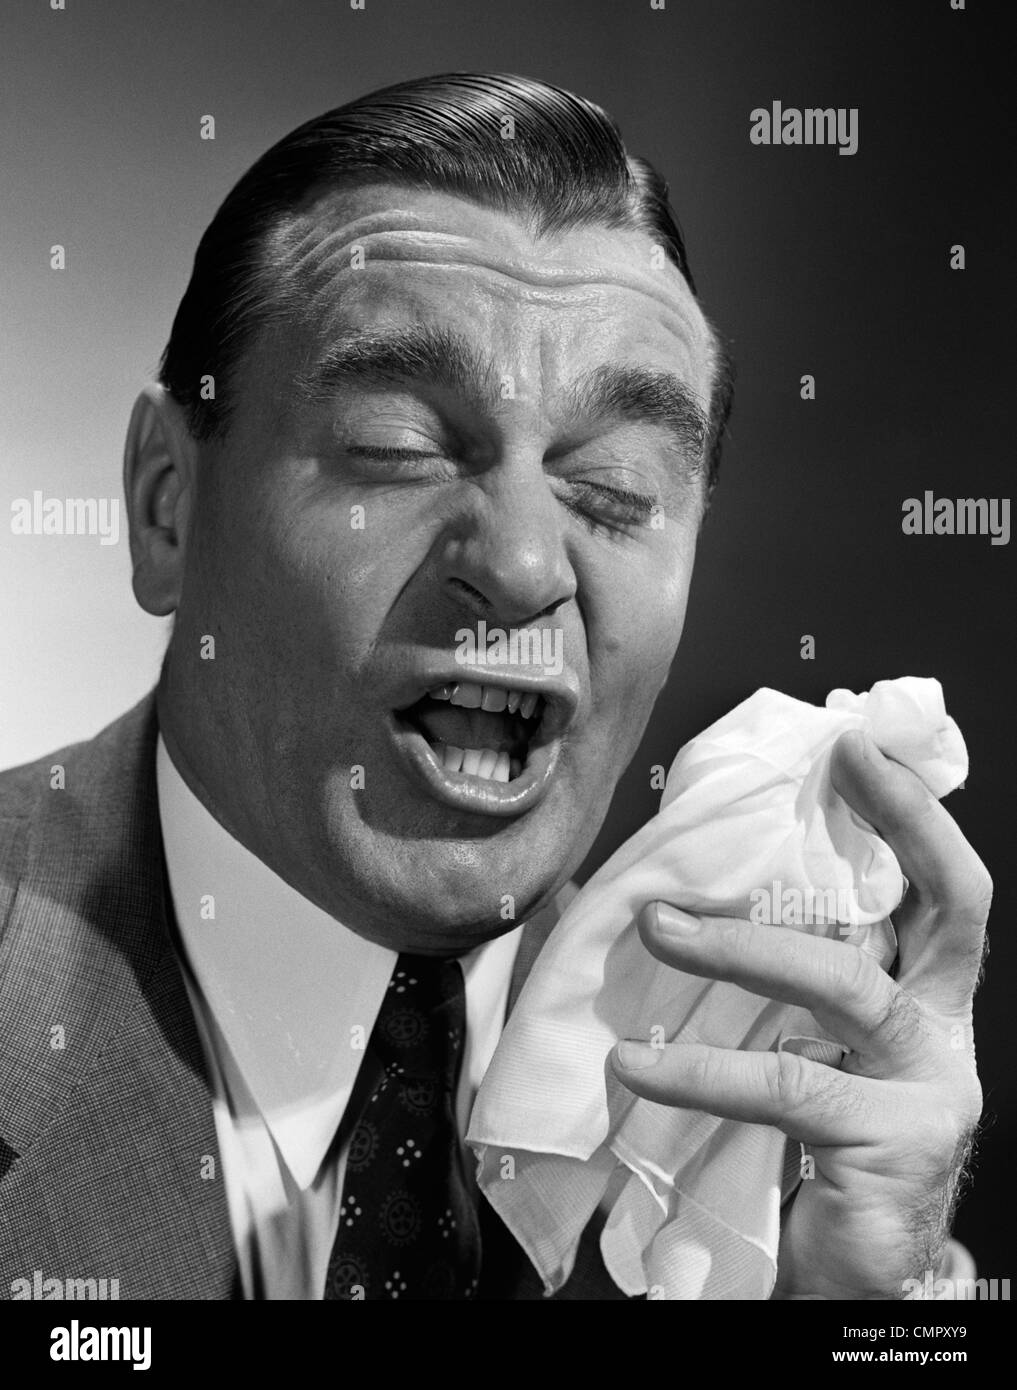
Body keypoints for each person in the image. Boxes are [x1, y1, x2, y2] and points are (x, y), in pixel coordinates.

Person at [0, 71, 988, 1301]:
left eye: (619, 489)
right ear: (166, 506)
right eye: (396, 451)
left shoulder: (753, 1140)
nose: (522, 568)